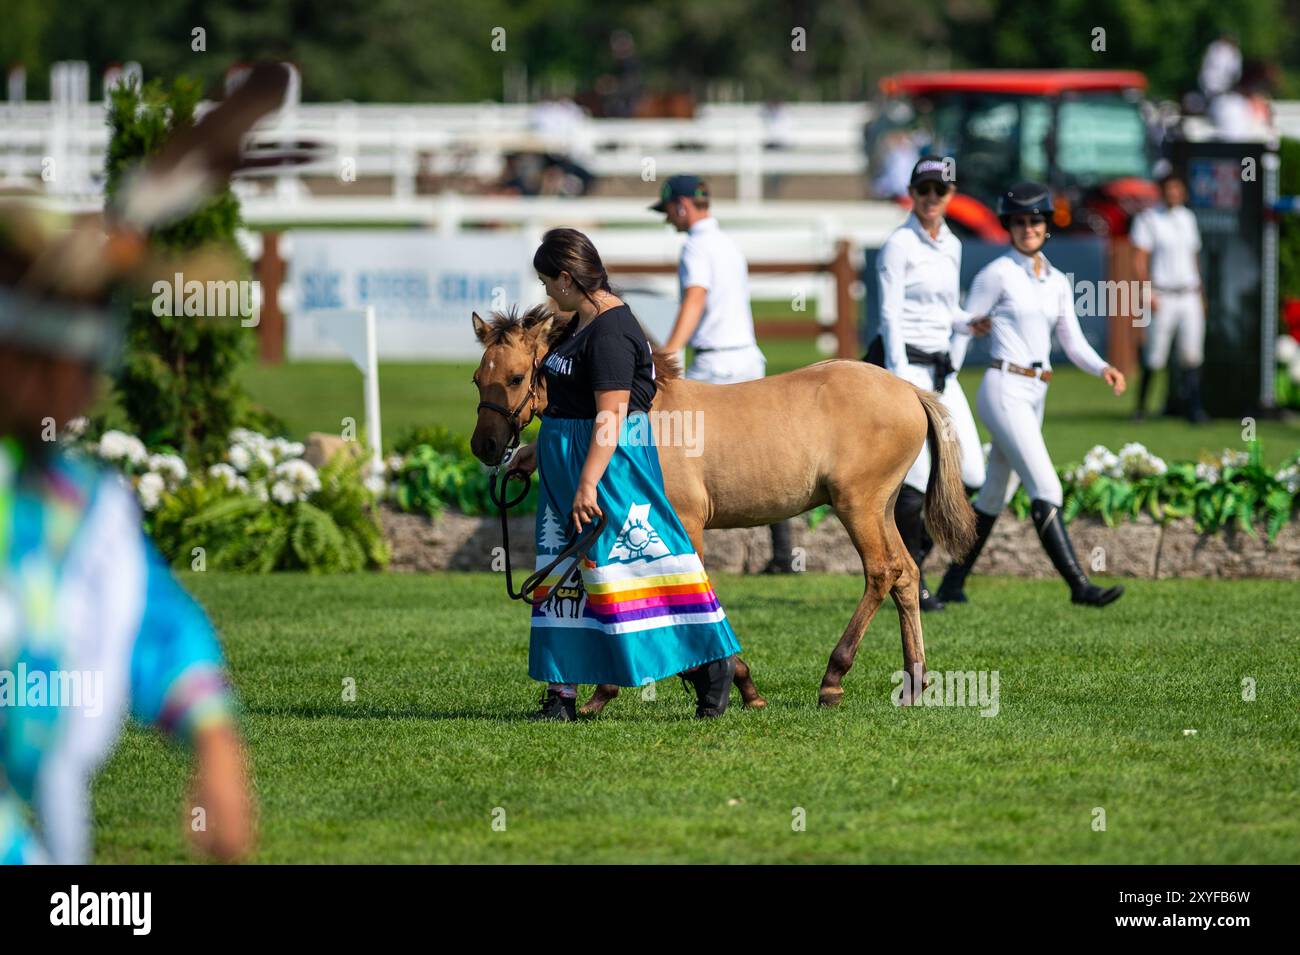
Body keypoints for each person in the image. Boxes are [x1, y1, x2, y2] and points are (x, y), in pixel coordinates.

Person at [0, 199, 253, 863]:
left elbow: (150, 619)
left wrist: (214, 741)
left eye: (88, 370)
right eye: (55, 368)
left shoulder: (83, 505)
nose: (76, 393)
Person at [506, 228, 741, 721]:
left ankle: (709, 664)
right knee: (567, 576)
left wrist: (588, 481)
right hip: (569, 457)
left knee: (636, 568)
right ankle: (561, 696)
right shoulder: (577, 324)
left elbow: (611, 417)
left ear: (568, 279)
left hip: (610, 465)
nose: (546, 291)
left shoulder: (612, 330)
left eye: (548, 281)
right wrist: (540, 448)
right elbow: (571, 402)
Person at [936, 183, 1128, 608]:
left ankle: (952, 582)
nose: (1028, 227)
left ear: (1047, 225)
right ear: (1008, 226)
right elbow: (966, 325)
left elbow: (1073, 341)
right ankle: (1079, 586)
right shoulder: (997, 274)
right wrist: (945, 378)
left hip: (1036, 391)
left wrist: (1103, 369)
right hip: (1003, 387)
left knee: (993, 496)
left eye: (1035, 220)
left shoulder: (1057, 281)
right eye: (1019, 221)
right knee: (1047, 488)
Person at [652, 174, 796, 574]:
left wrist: (669, 352)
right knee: (764, 456)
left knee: (681, 459)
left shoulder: (695, 246)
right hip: (749, 358)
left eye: (668, 211)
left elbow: (696, 298)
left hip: (715, 363)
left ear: (682, 205)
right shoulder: (729, 244)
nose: (668, 220)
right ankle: (783, 555)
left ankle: (689, 552)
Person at [866, 156, 989, 611]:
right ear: (913, 193)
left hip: (942, 371)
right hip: (909, 371)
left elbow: (946, 309)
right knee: (915, 479)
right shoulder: (899, 245)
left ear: (951, 195)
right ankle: (910, 579)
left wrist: (969, 322)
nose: (932, 198)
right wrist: (897, 381)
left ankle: (914, 561)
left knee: (971, 471)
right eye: (924, 190)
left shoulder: (952, 245)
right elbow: (889, 315)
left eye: (940, 191)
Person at [1131, 168, 1207, 423]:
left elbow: (1194, 257)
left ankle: (1195, 409)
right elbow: (1139, 258)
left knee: (1192, 353)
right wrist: (1146, 290)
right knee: (1156, 354)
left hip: (1188, 293)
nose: (1174, 193)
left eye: (1178, 188)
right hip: (1163, 294)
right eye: (1169, 188)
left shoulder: (1188, 218)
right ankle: (1141, 407)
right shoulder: (1149, 219)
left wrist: (1201, 294)